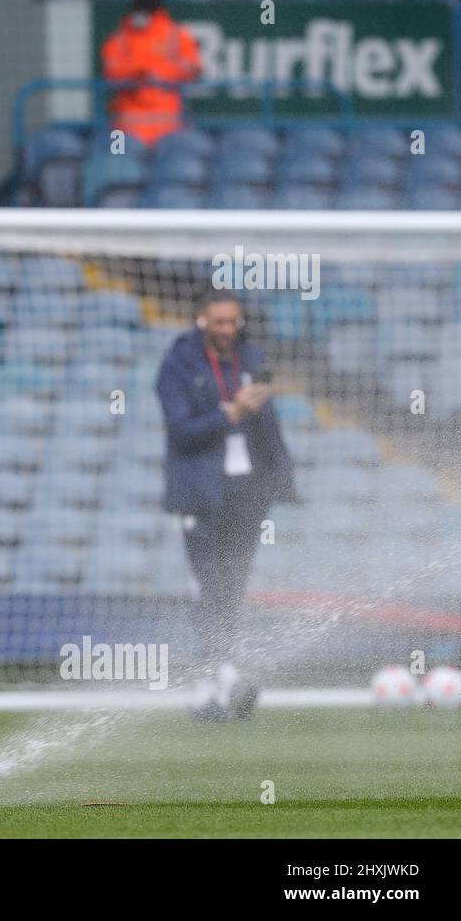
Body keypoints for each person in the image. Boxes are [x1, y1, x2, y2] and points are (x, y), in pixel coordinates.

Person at [155, 290, 295, 720]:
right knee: (209, 586)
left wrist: (282, 479)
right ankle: (214, 679)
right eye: (219, 322)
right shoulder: (177, 366)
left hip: (247, 492)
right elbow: (181, 432)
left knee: (233, 588)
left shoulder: (252, 358)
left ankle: (221, 677)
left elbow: (268, 425)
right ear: (201, 320)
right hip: (201, 491)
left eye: (233, 322)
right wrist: (232, 412)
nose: (227, 330)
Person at [100, 0, 201, 148]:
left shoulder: (175, 35)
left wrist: (161, 72)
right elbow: (111, 72)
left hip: (167, 118)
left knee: (176, 162)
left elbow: (194, 69)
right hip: (128, 119)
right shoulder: (121, 37)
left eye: (145, 11)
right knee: (118, 158)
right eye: (138, 10)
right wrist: (139, 70)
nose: (141, 15)